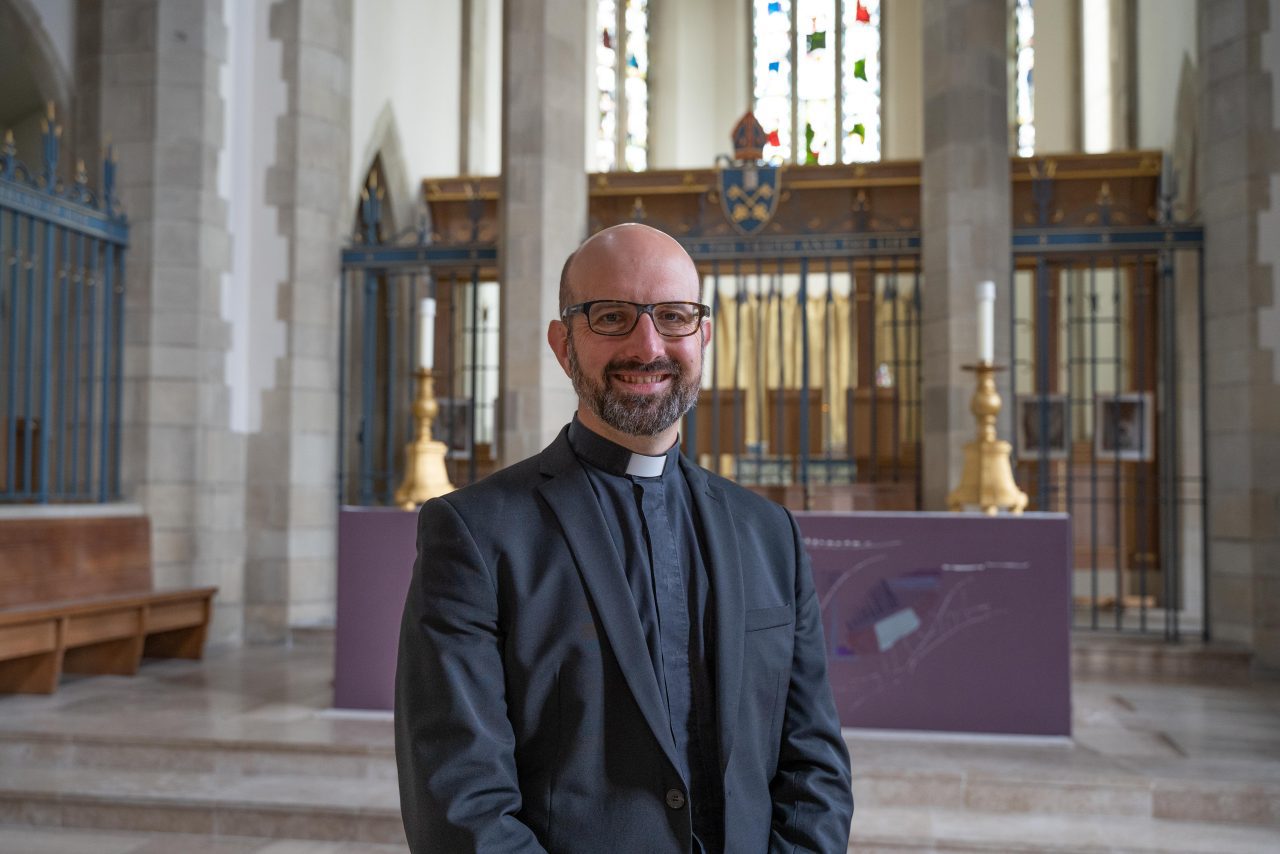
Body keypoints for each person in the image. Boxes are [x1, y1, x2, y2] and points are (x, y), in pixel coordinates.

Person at [395, 223, 853, 853]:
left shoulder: (768, 533)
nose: (647, 345)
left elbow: (815, 769)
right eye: (612, 317)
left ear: (704, 336)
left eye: (673, 317)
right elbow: (459, 802)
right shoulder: (476, 534)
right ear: (563, 344)